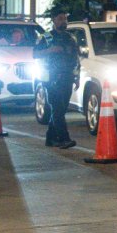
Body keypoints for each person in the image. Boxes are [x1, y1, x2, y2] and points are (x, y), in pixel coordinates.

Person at [34, 11, 80, 149]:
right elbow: (35, 54)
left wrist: (77, 77)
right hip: (51, 78)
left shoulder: (70, 38)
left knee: (61, 109)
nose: (63, 21)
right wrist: (50, 50)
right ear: (53, 20)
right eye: (60, 19)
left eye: (65, 19)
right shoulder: (46, 37)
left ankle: (50, 138)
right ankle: (64, 139)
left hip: (67, 77)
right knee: (58, 108)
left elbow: (76, 59)